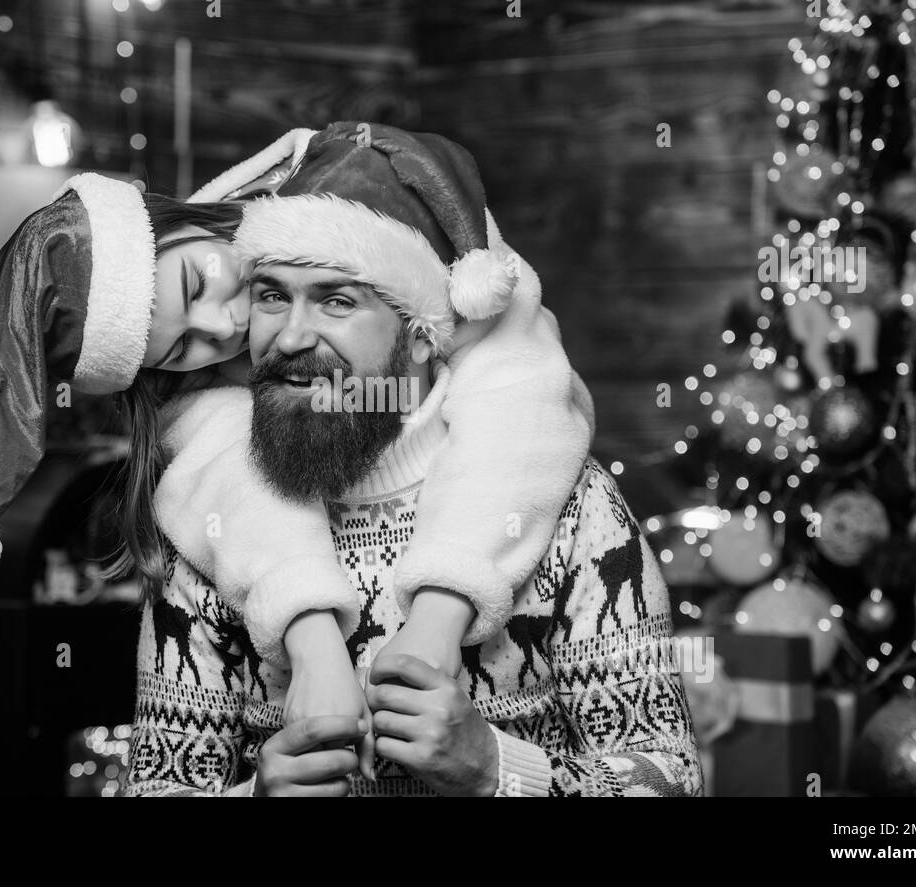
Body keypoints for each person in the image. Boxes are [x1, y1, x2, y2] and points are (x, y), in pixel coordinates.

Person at [0, 124, 594, 773]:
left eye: (195, 287)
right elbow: (230, 472)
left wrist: (441, 615)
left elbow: (520, 394)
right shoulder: (209, 408)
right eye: (182, 348)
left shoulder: (360, 190)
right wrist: (311, 637)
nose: (225, 326)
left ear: (179, 220)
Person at [119, 136, 703, 794]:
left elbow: (673, 778)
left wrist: (497, 771)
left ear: (424, 335)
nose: (288, 337)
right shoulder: (213, 520)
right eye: (272, 295)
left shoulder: (574, 508)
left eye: (337, 300)